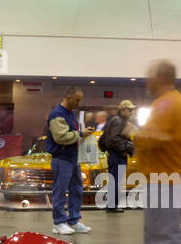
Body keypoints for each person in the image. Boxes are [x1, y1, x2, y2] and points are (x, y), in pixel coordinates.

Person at [131, 60, 181, 244]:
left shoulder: (167, 103)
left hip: (165, 179)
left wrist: (133, 133)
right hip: (166, 178)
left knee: (161, 237)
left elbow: (160, 137)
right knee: (161, 235)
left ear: (161, 79)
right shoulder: (172, 101)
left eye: (150, 77)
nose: (147, 81)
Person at [44, 87, 90, 235]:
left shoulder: (70, 114)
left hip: (73, 158)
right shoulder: (57, 114)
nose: (78, 103)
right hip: (62, 158)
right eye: (77, 100)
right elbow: (61, 137)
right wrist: (81, 133)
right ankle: (58, 222)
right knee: (60, 190)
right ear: (68, 97)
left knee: (77, 189)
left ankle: (73, 220)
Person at [99, 100, 136, 211]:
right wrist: (124, 149)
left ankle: (112, 205)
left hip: (115, 155)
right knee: (116, 181)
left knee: (115, 181)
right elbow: (114, 138)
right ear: (123, 110)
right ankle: (112, 206)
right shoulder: (119, 121)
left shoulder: (116, 120)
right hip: (117, 156)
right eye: (130, 110)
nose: (131, 112)